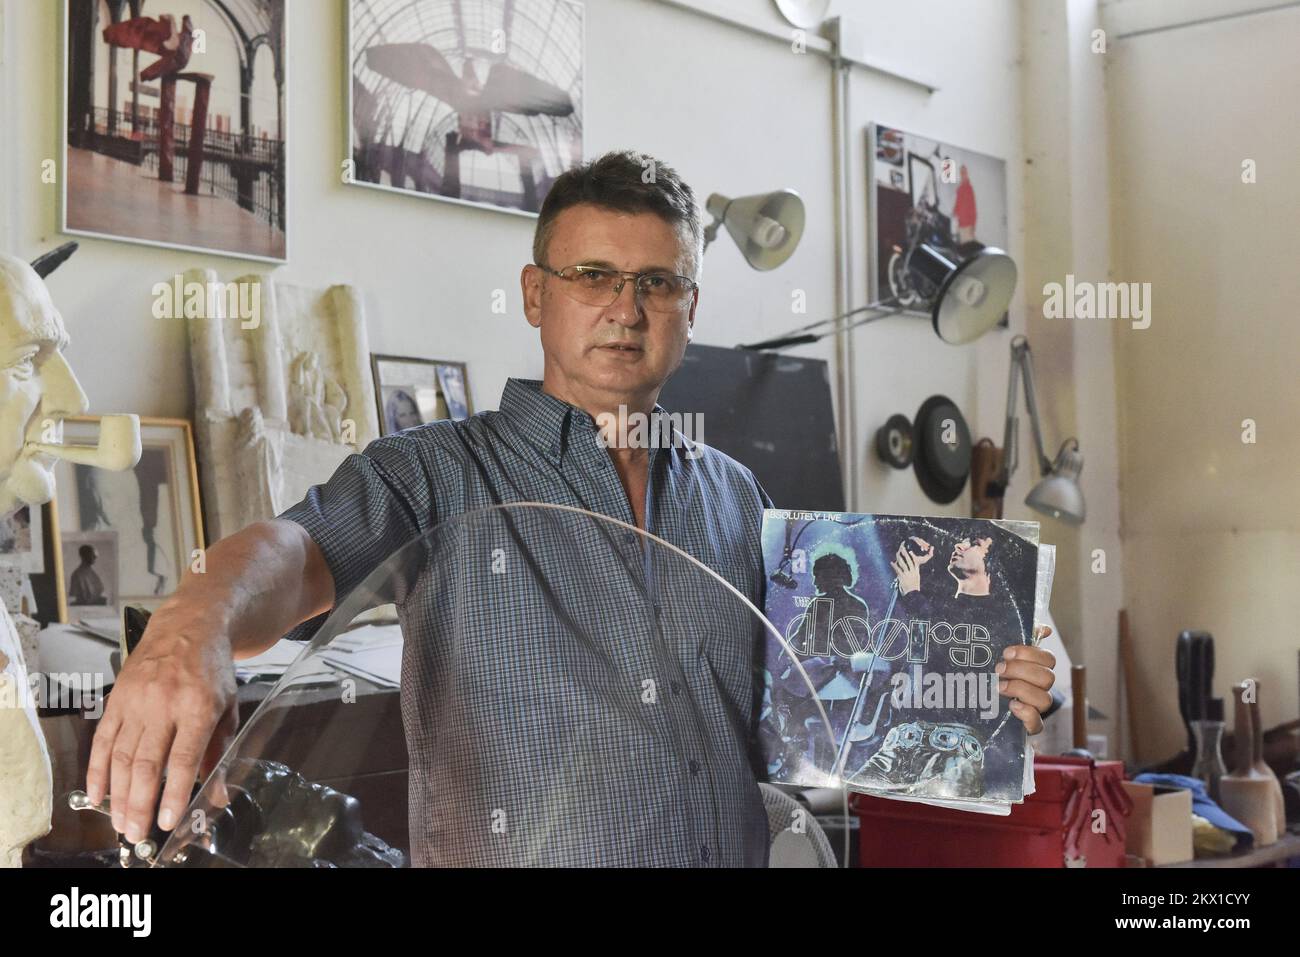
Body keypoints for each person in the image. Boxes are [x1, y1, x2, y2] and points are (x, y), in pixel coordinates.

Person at [86, 150, 1056, 864]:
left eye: (656, 282)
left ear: (691, 304)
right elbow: (295, 552)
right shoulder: (438, 474)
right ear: (535, 295)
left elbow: (811, 714)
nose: (624, 308)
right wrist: (193, 621)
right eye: (592, 276)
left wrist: (979, 690)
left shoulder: (737, 498)